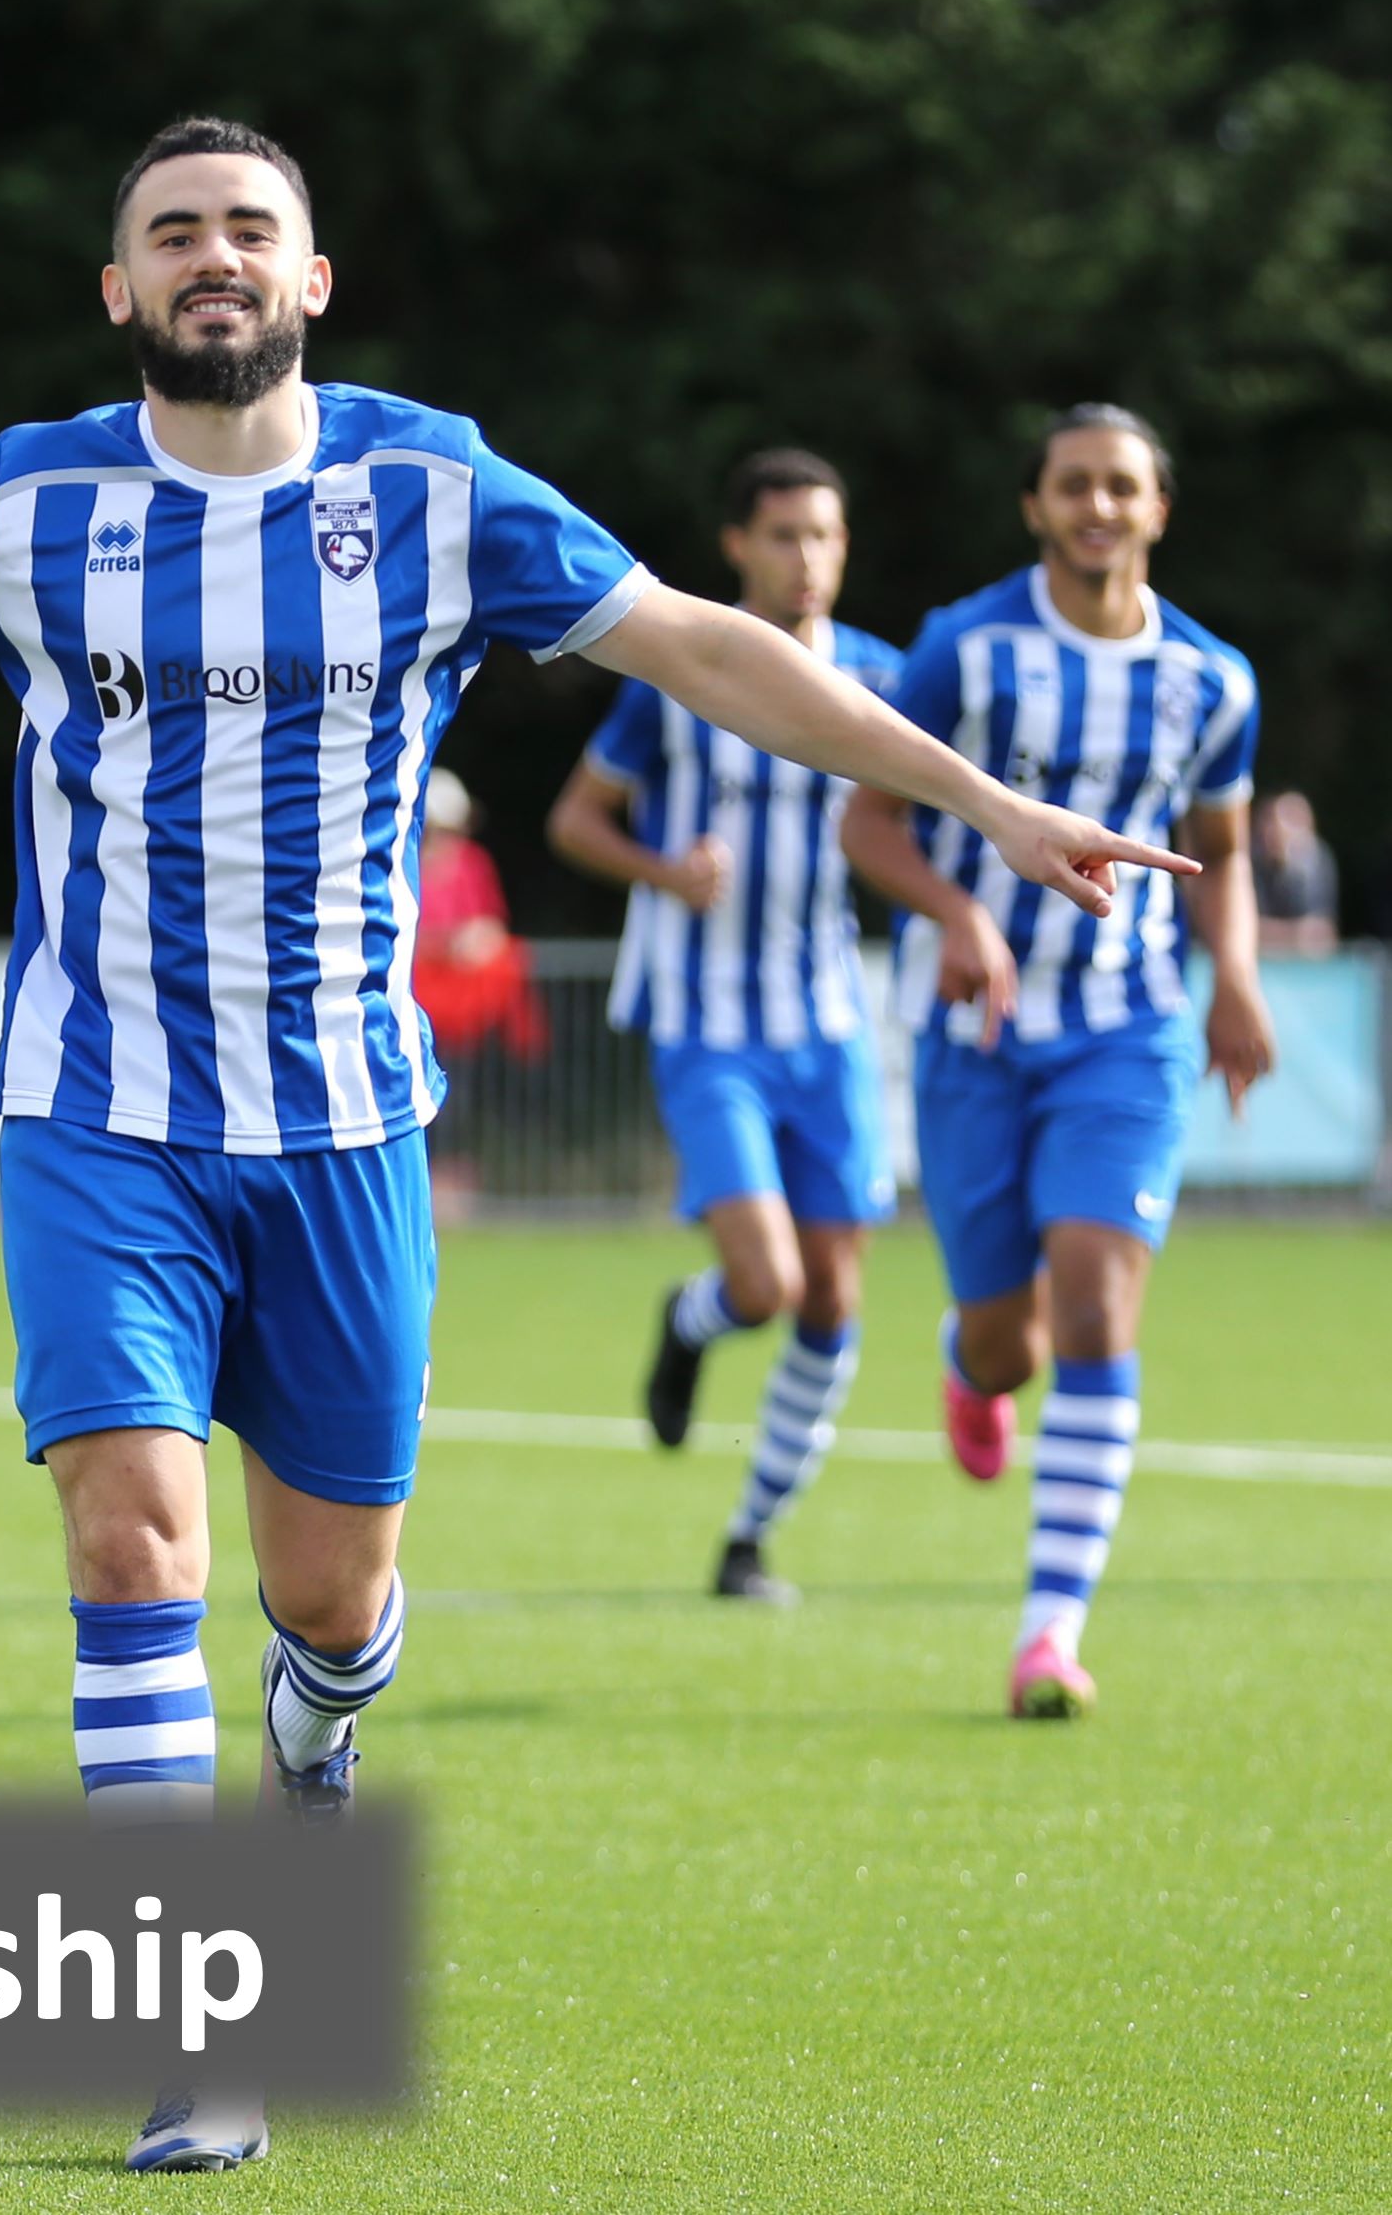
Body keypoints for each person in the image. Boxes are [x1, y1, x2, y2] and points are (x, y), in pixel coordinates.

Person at [0, 125, 1194, 2170]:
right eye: (171, 235)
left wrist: (984, 804)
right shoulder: (31, 500)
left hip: (349, 1131)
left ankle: (319, 1736)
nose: (213, 260)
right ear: (119, 291)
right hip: (97, 1114)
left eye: (247, 233)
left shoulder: (435, 486)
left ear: (314, 277)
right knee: (129, 1537)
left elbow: (714, 651)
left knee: (335, 1605)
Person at [842, 403, 1273, 1722]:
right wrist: (957, 911)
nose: (1098, 507)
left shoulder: (1216, 680)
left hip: (1127, 1032)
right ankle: (972, 1365)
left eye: (1122, 487)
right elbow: (869, 824)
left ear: (1159, 507)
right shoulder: (965, 653)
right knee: (1012, 1339)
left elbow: (1228, 850)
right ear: (1035, 507)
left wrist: (1236, 981)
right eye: (1073, 486)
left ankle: (1049, 1635)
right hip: (979, 1040)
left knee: (1094, 1307)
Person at [548, 449, 900, 1605]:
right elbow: (575, 821)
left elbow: (925, 819)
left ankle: (752, 1538)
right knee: (765, 1281)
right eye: (786, 535)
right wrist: (664, 869)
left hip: (832, 1021)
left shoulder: (886, 677)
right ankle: (693, 1321)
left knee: (835, 1300)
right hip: (708, 1022)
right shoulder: (678, 676)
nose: (809, 559)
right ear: (738, 547)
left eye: (826, 536)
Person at [411, 769, 545, 1214]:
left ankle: (450, 1185)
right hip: (413, 1011)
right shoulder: (401, 858)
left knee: (459, 1098)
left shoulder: (472, 863)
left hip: (466, 1018)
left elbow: (490, 924)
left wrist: (473, 941)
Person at [1251, 789, 1338, 954]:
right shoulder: (1249, 862)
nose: (1275, 829)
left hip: (1304, 968)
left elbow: (1321, 934)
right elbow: (1244, 928)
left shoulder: (1317, 861)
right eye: (1269, 821)